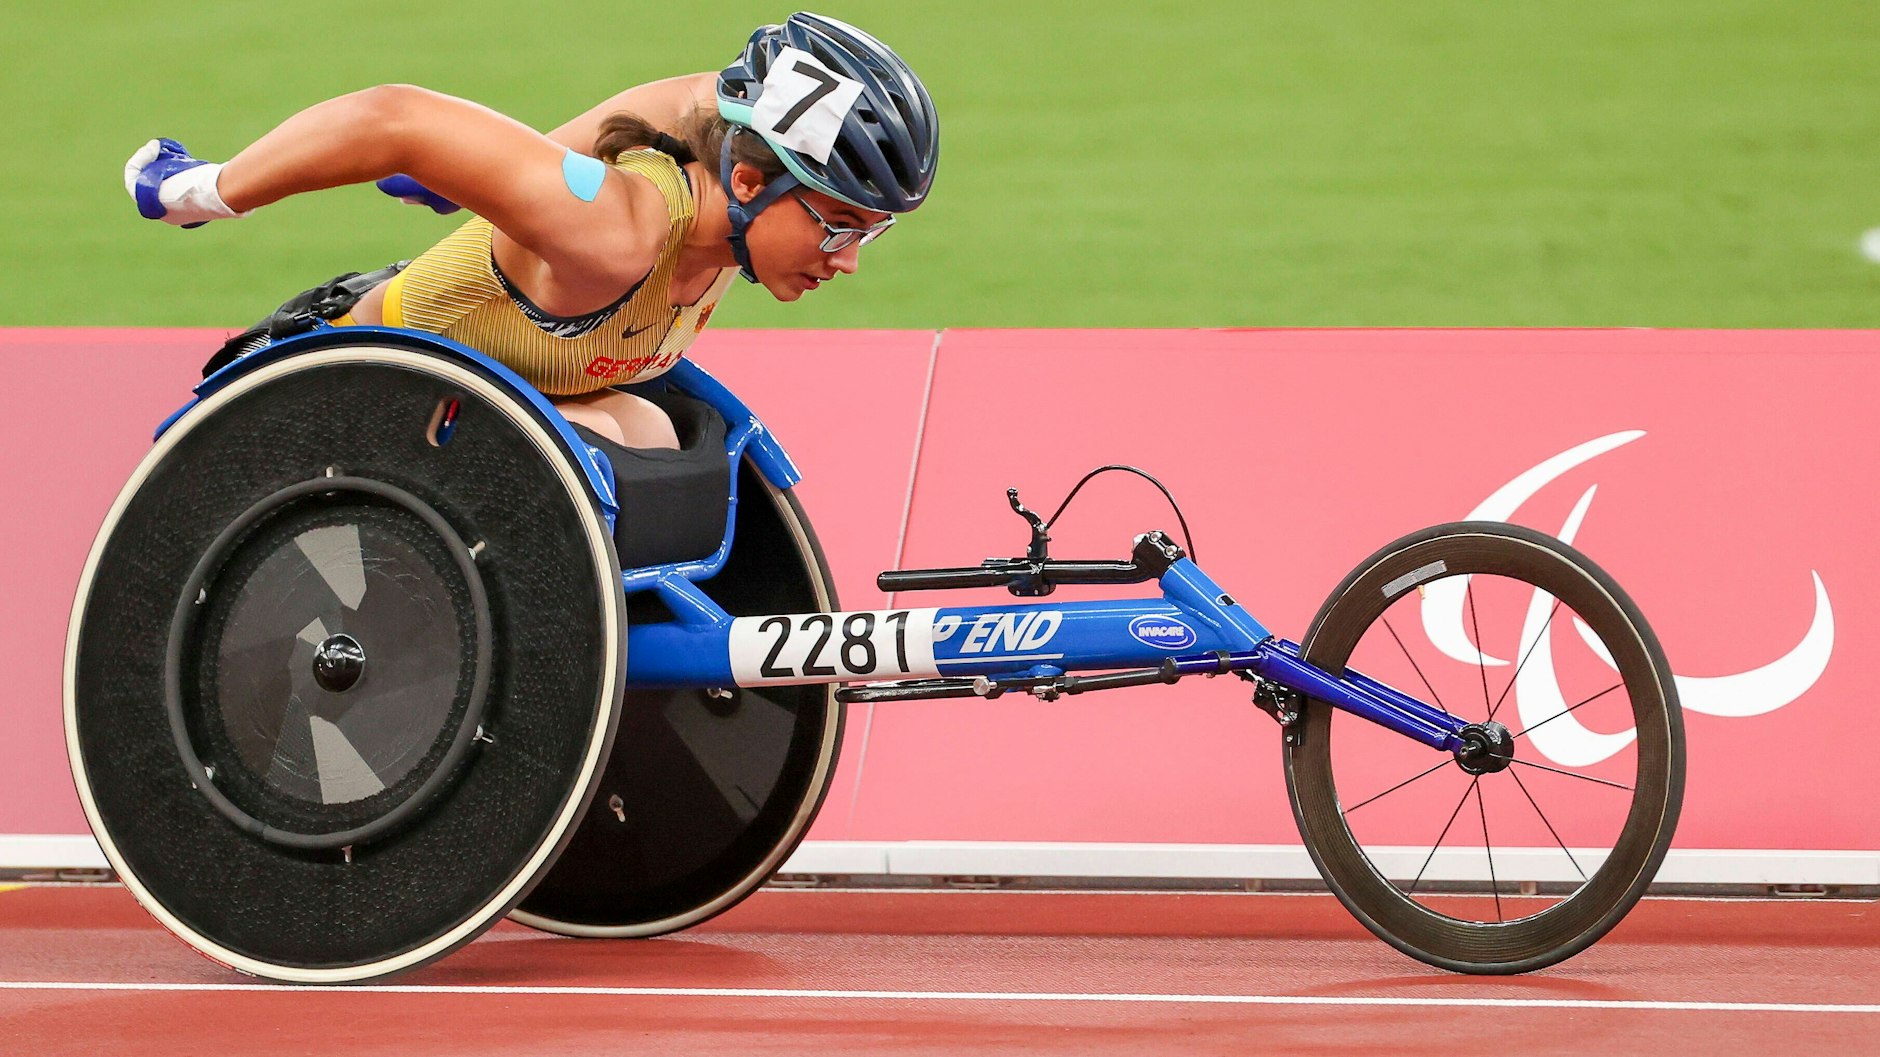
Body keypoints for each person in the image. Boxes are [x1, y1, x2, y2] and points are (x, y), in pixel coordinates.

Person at [124, 12, 938, 449]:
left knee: (651, 433)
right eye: (839, 229)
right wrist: (201, 190)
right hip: (347, 412)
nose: (850, 262)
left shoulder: (730, 196)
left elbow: (698, 93)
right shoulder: (617, 235)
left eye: (873, 234)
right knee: (601, 443)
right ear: (752, 182)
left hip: (488, 412)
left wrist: (516, 164)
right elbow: (395, 119)